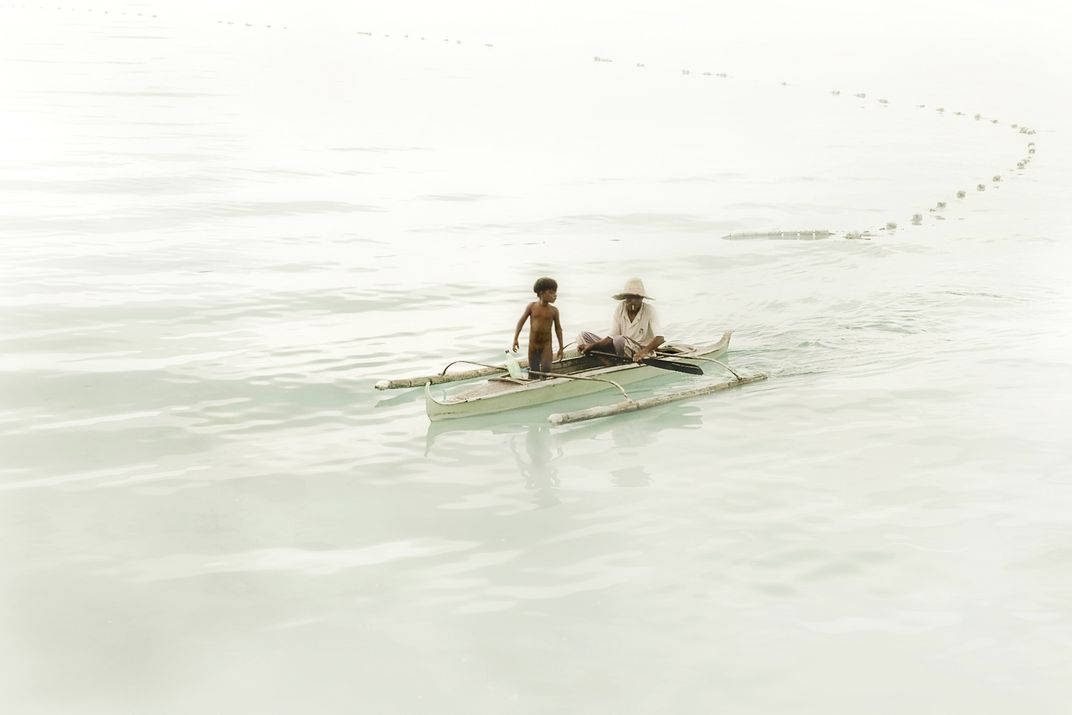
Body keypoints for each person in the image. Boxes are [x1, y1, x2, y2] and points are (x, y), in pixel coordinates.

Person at [578, 277, 664, 362]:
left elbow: (660, 338)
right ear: (625, 298)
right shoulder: (621, 307)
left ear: (641, 298)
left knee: (619, 340)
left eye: (636, 297)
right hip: (620, 347)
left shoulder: (649, 310)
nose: (633, 301)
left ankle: (617, 362)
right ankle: (606, 361)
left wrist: (643, 352)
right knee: (584, 335)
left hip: (640, 351)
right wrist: (591, 346)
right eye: (629, 297)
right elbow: (612, 337)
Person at [511, 276, 564, 379]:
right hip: (533, 345)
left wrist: (561, 348)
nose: (555, 295)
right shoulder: (532, 306)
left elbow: (558, 329)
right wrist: (515, 339)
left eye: (555, 292)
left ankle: (545, 385)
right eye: (551, 292)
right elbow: (521, 322)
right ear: (541, 293)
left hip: (546, 346)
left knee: (546, 371)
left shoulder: (554, 311)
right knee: (534, 371)